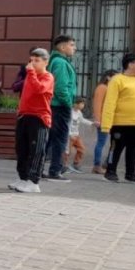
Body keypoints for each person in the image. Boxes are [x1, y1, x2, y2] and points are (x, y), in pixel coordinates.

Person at [9, 48, 54, 194]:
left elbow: (39, 89)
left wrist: (31, 73)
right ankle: (23, 177)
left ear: (46, 62)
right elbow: (25, 94)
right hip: (25, 115)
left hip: (39, 117)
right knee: (22, 148)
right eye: (31, 60)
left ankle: (33, 181)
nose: (33, 63)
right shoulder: (30, 75)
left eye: (37, 60)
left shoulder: (47, 77)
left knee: (36, 150)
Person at [101, 52, 135, 184]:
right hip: (120, 122)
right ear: (130, 65)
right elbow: (110, 103)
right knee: (115, 148)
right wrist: (106, 124)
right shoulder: (117, 80)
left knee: (133, 149)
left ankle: (130, 174)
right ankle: (110, 171)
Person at [43, 34, 77, 182]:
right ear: (62, 47)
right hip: (60, 106)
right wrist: (68, 103)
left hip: (55, 105)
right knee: (59, 139)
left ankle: (38, 168)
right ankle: (55, 170)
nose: (74, 48)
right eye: (72, 45)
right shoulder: (60, 63)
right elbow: (61, 87)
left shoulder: (56, 61)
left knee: (50, 139)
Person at [91, 70, 118, 174]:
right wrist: (98, 119)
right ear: (108, 77)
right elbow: (97, 104)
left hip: (111, 120)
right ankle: (97, 165)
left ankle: (106, 164)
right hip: (103, 120)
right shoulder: (102, 88)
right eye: (114, 77)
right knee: (101, 143)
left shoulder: (109, 88)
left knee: (114, 143)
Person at [64, 96, 93, 173]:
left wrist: (92, 123)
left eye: (83, 104)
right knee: (67, 152)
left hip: (76, 135)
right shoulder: (70, 112)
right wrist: (70, 134)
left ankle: (75, 164)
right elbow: (67, 124)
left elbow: (82, 120)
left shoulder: (79, 112)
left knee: (81, 149)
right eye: (81, 104)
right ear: (75, 104)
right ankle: (64, 166)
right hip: (69, 136)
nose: (83, 106)